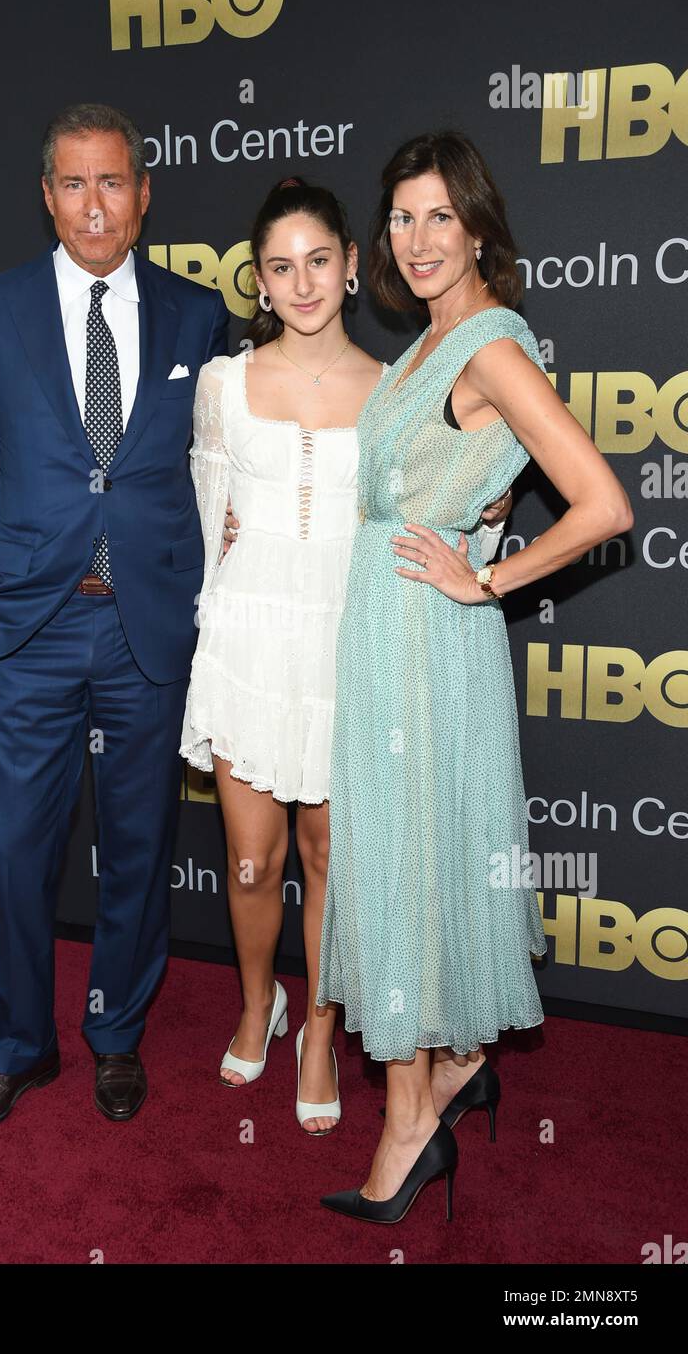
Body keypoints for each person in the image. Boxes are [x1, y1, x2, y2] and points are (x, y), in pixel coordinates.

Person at [315, 131, 633, 1221]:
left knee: (406, 863)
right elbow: (450, 473)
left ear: (479, 225)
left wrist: (488, 577)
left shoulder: (488, 343)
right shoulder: (424, 344)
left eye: (438, 216)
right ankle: (451, 1066)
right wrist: (484, 502)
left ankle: (409, 1124)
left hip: (420, 639)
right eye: (399, 218)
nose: (415, 241)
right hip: (385, 634)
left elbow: (600, 502)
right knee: (416, 854)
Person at [180, 177, 511, 1134]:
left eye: (320, 260)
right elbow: (212, 517)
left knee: (331, 856)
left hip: (349, 637)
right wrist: (214, 624)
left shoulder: (397, 387)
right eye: (280, 268)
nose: (304, 282)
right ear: (259, 281)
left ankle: (319, 1032)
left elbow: (441, 500)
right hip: (249, 638)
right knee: (251, 863)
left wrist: (485, 521)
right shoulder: (224, 385)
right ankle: (260, 1005)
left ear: (352, 264)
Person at [0, 102, 229, 1134]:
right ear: (46, 195)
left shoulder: (196, 316)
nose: (93, 205)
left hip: (144, 626)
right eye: (72, 183)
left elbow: (216, 469)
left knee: (139, 847)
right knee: (14, 850)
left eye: (112, 182)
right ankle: (18, 1049)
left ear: (144, 193)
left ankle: (114, 1035)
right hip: (25, 630)